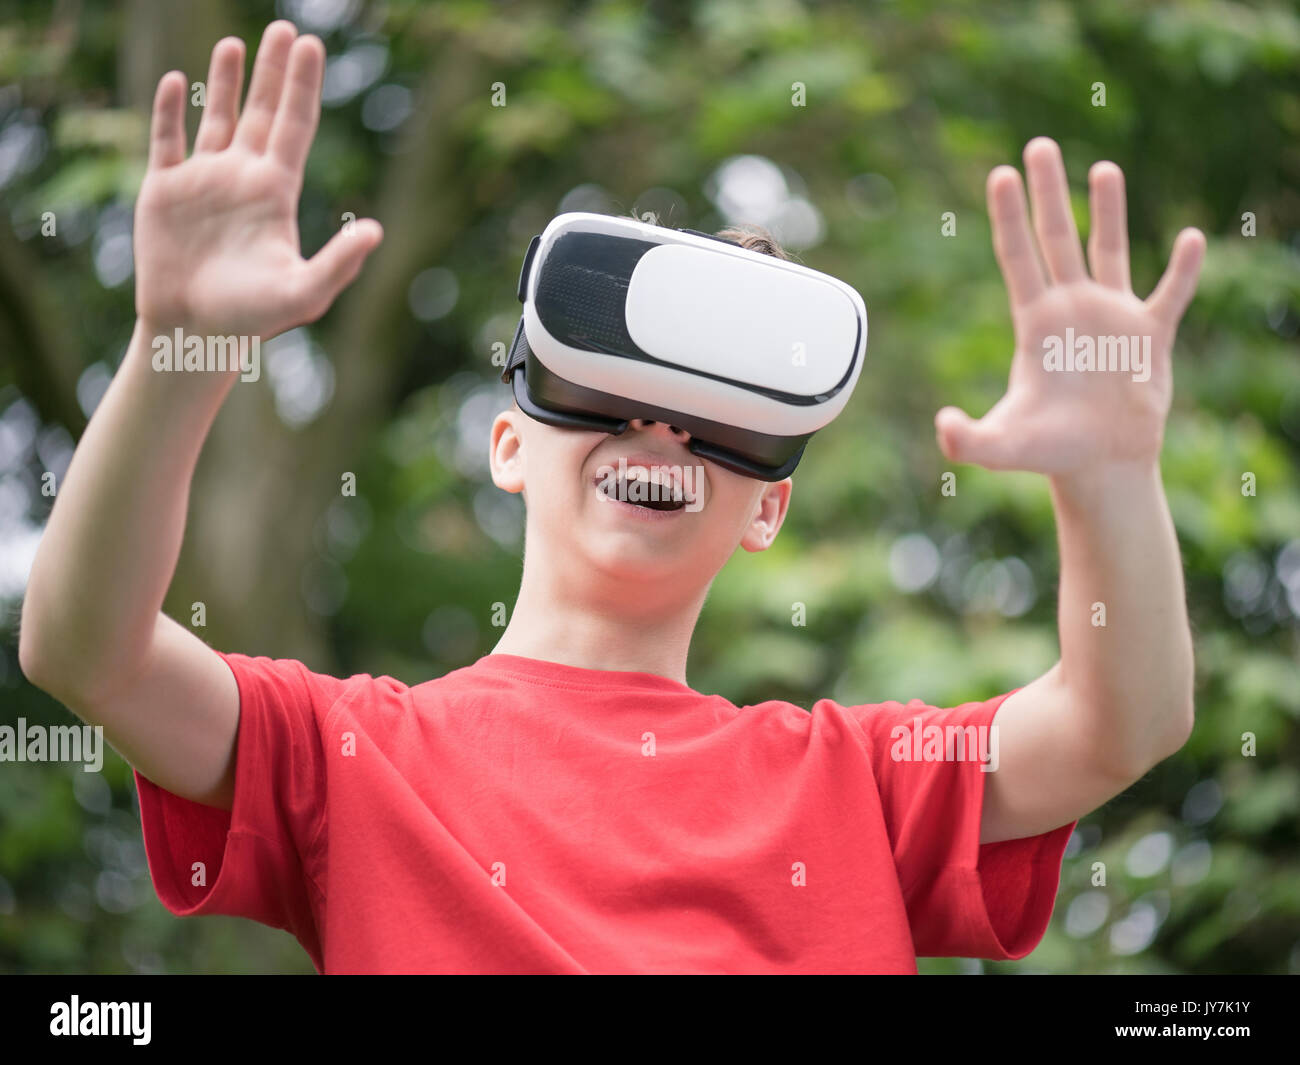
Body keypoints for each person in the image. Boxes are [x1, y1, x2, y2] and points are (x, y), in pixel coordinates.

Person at [19, 21, 1205, 974]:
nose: (656, 429)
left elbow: (1123, 722)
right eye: (599, 391)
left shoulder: (861, 783)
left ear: (765, 512)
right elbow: (88, 650)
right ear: (507, 447)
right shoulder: (351, 757)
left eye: (723, 419)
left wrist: (1108, 480)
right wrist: (179, 351)